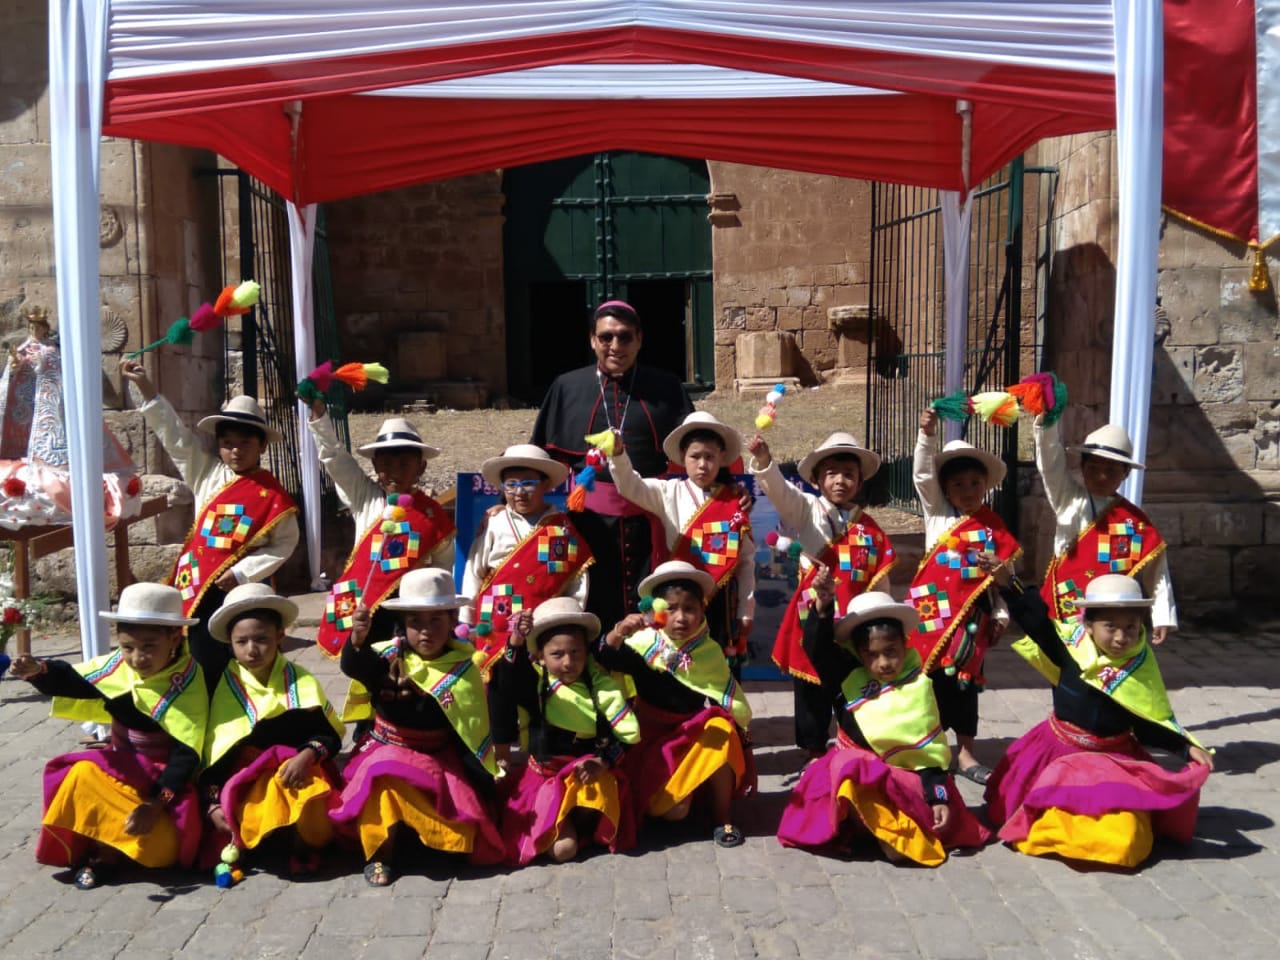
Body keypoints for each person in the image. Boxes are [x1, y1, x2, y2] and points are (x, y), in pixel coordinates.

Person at [979, 556, 1212, 868]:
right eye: (1109, 626)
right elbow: (1034, 617)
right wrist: (1009, 582)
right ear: (1088, 625)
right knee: (1052, 817)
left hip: (1114, 759)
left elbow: (1148, 723)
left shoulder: (1139, 666)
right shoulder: (1067, 647)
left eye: (1130, 627)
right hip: (1058, 754)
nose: (1120, 637)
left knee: (1126, 839)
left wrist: (1184, 747)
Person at [776, 576, 990, 865]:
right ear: (858, 654)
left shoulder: (919, 686)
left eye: (891, 652)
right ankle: (875, 831)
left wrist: (938, 796)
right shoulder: (848, 678)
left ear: (904, 644)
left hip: (903, 780)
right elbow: (818, 649)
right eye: (872, 655)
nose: (883, 663)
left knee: (909, 837)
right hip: (859, 781)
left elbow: (929, 756)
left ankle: (884, 833)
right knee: (850, 769)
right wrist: (823, 606)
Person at [8, 583, 208, 888]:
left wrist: (155, 805)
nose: (137, 658)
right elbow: (74, 680)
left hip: (165, 785)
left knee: (163, 849)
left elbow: (186, 754)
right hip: (123, 772)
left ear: (173, 637)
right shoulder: (117, 670)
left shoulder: (189, 683)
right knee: (80, 775)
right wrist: (38, 670)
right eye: (128, 647)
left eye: (149, 646)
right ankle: (105, 853)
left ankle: (117, 847)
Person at [120, 359, 299, 677]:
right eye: (228, 443)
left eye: (245, 443)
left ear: (260, 446)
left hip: (234, 587)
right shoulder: (207, 474)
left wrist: (243, 573)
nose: (236, 451)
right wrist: (146, 388)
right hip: (193, 579)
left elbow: (283, 544)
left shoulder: (272, 496)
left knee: (225, 653)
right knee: (189, 649)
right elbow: (174, 437)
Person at [329, 568, 504, 886]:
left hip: (436, 759)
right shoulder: (387, 658)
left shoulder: (464, 671)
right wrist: (357, 639)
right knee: (383, 780)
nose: (426, 632)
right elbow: (357, 665)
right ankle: (379, 853)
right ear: (403, 625)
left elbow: (470, 733)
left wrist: (484, 790)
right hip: (385, 751)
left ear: (453, 620)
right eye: (416, 623)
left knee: (463, 837)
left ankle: (417, 836)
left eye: (436, 620)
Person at [531, 300, 694, 629]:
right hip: (589, 524)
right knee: (594, 606)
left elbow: (698, 449)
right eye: (606, 338)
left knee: (655, 608)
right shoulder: (566, 387)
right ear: (593, 340)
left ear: (639, 340)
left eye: (625, 337)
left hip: (651, 522)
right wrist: (504, 507)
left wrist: (728, 490)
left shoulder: (666, 387)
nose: (615, 346)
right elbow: (538, 463)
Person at [748, 430, 895, 760]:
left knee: (851, 687)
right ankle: (814, 755)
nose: (840, 481)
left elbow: (880, 582)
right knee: (811, 687)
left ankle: (853, 750)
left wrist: (885, 618)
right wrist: (764, 461)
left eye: (848, 474)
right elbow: (780, 492)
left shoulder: (871, 529)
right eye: (831, 474)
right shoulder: (806, 510)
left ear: (859, 480)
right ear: (816, 479)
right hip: (813, 618)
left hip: (854, 624)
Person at [596, 560, 754, 848]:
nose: (681, 617)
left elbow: (728, 698)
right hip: (651, 741)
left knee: (722, 728)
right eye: (671, 608)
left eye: (690, 609)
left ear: (702, 611)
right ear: (656, 610)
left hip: (692, 733)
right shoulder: (642, 644)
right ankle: (680, 800)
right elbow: (605, 658)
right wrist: (618, 631)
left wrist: (742, 734)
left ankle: (722, 818)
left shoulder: (709, 651)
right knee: (675, 812)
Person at [201, 583, 344, 879]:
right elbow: (215, 751)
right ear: (230, 643)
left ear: (280, 636)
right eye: (242, 642)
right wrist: (212, 801)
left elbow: (328, 736)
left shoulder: (301, 682)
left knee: (310, 794)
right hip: (244, 775)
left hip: (294, 769)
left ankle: (303, 846)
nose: (252, 650)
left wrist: (307, 755)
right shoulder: (221, 687)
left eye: (262, 639)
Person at [908, 410, 1020, 785]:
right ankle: (933, 748)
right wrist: (926, 437)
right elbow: (922, 475)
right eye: (958, 484)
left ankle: (967, 753)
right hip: (933, 617)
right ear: (945, 489)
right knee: (933, 684)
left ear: (985, 485)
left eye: (975, 483)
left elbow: (1005, 579)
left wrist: (1001, 611)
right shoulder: (938, 515)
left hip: (974, 620)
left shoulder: (994, 527)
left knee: (967, 686)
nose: (968, 491)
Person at [490, 597, 640, 864]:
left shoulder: (601, 688)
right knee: (564, 851)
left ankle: (576, 820)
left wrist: (603, 761)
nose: (568, 662)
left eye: (576, 652)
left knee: (597, 803)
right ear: (541, 658)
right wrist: (515, 640)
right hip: (545, 780)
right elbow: (509, 678)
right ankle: (565, 825)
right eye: (557, 654)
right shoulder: (536, 688)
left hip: (588, 775)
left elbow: (627, 738)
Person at [307, 402, 455, 659]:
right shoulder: (365, 497)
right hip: (364, 605)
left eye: (404, 464)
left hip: (409, 607)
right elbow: (334, 458)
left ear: (421, 467)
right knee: (362, 666)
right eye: (386, 464)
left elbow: (443, 569)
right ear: (375, 466)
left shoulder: (432, 515)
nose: (394, 472)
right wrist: (319, 417)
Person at [609, 412, 754, 663]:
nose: (702, 465)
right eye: (695, 456)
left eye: (710, 457)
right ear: (683, 458)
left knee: (719, 666)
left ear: (721, 458)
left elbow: (746, 560)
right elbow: (630, 486)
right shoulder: (667, 491)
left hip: (720, 600)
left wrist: (746, 609)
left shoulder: (733, 500)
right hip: (676, 599)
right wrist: (619, 455)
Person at [461, 443, 592, 682]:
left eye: (528, 483)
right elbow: (474, 570)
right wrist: (466, 621)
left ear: (545, 485)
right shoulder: (494, 523)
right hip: (495, 625)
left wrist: (569, 618)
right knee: (498, 687)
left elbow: (577, 580)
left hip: (543, 627)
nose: (519, 492)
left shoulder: (562, 529)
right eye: (511, 485)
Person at [1035, 420, 1175, 642]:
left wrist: (1162, 616)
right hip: (1065, 607)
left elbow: (1157, 572)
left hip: (1111, 618)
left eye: (1111, 470)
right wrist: (1046, 423)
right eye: (1093, 469)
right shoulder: (1067, 497)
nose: (1101, 477)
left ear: (1126, 473)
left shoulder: (1134, 521)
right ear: (1082, 467)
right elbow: (1049, 460)